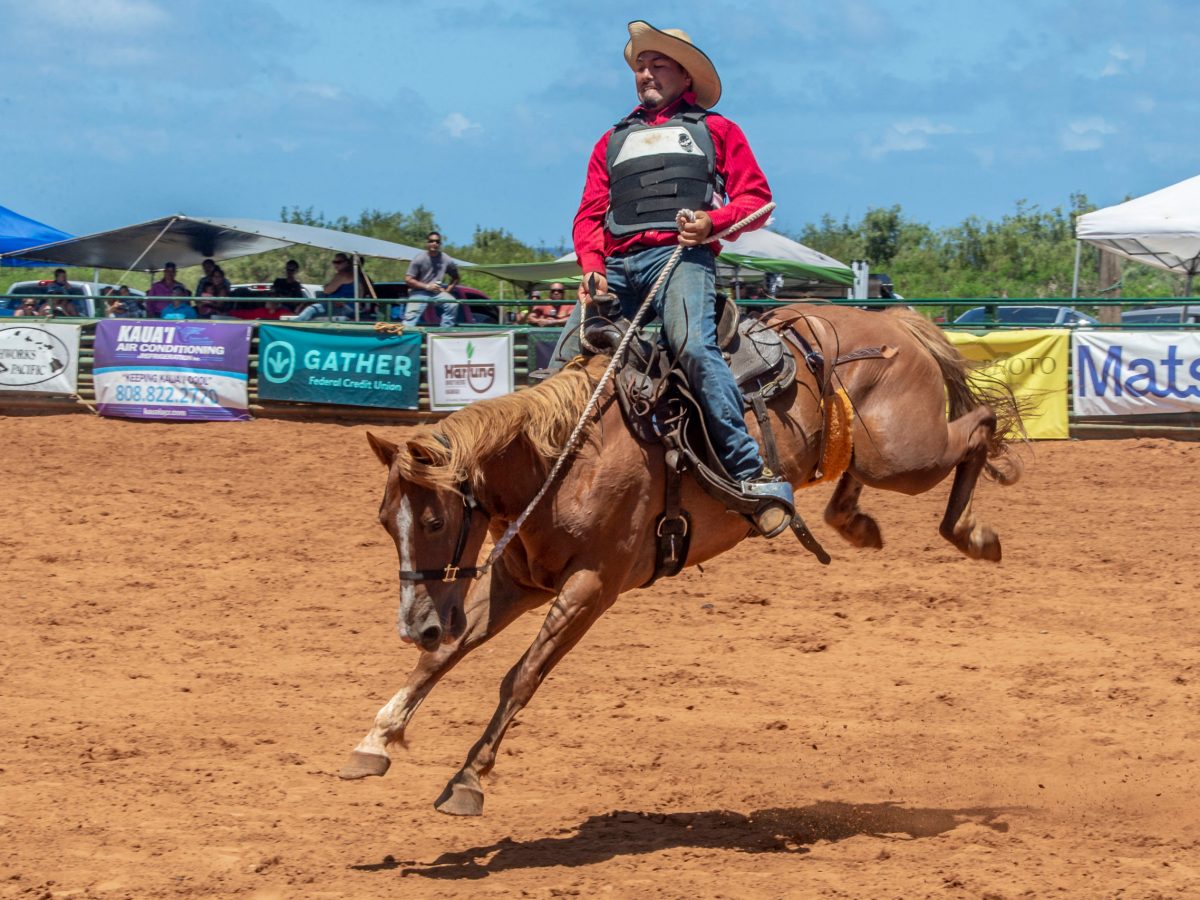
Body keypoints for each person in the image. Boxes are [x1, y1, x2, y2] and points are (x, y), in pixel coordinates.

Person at [546, 21, 792, 535]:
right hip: (614, 267)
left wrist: (712, 223)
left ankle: (749, 471)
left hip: (679, 259)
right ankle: (543, 463)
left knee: (692, 345)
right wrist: (591, 268)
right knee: (563, 360)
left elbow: (758, 201)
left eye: (658, 64)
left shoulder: (717, 130)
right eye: (641, 65)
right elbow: (589, 214)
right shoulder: (611, 140)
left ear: (686, 76)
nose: (645, 73)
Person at [402, 232, 460, 327]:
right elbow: (408, 279)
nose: (434, 244)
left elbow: (456, 277)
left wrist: (447, 291)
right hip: (418, 292)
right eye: (431, 241)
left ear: (440, 244)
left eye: (437, 242)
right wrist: (427, 286)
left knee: (452, 304)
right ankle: (407, 338)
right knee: (410, 317)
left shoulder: (446, 259)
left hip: (437, 292)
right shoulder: (419, 258)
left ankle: (444, 333)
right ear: (427, 243)